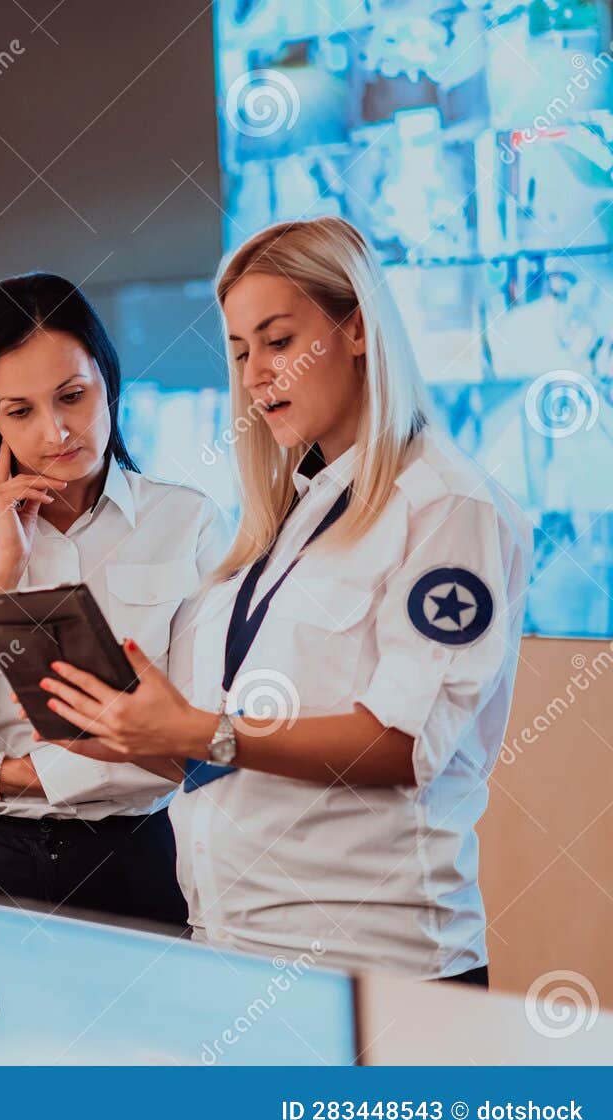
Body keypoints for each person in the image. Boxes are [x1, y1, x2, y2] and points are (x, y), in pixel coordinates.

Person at [36, 217, 530, 984]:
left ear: (357, 330)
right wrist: (138, 733)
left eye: (277, 340)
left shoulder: (446, 506)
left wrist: (203, 729)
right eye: (238, 352)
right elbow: (242, 749)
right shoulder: (293, 514)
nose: (255, 374)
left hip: (378, 970)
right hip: (234, 949)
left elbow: (402, 745)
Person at [0, 272, 226, 926]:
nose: (56, 432)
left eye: (73, 396)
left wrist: (13, 775)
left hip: (134, 859)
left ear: (107, 380)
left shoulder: (186, 521)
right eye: (21, 411)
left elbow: (199, 745)